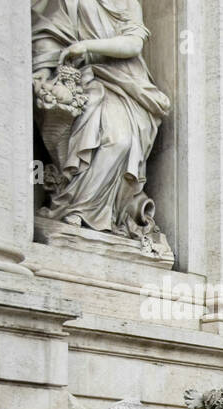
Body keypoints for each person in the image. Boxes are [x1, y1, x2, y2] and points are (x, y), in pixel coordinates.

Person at [31, 0, 171, 250]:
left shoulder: (129, 3)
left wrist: (85, 46)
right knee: (101, 135)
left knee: (121, 141)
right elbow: (49, 31)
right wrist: (43, 69)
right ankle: (76, 209)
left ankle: (107, 215)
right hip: (86, 81)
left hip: (129, 85)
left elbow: (134, 43)